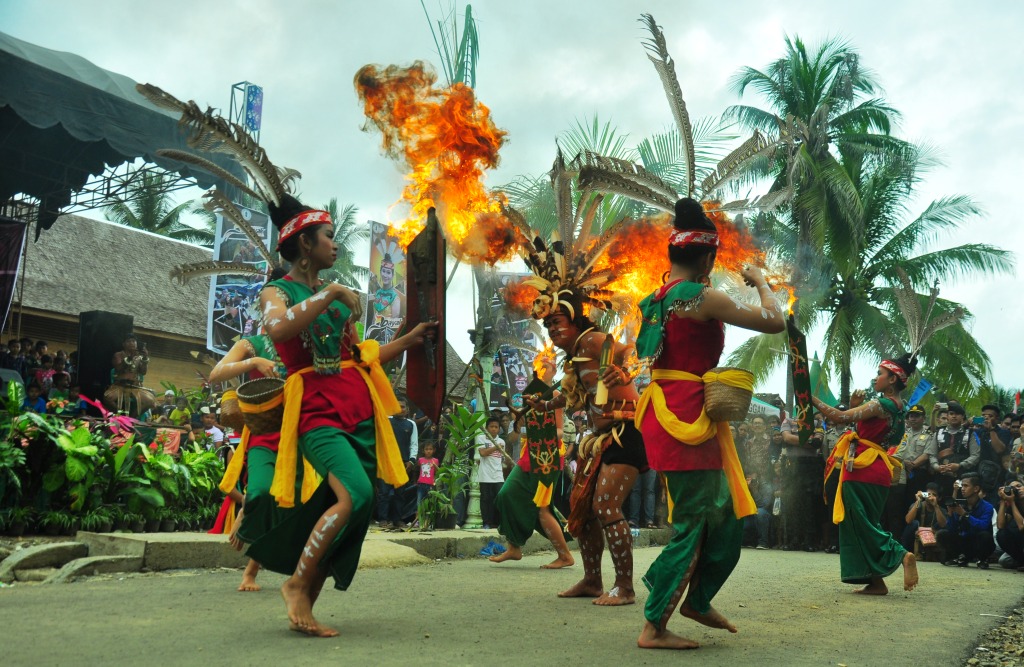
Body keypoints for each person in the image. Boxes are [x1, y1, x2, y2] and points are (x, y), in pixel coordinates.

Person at [244, 194, 435, 637]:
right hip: (315, 410)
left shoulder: (333, 299)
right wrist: (330, 292)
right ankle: (294, 583)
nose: (337, 245)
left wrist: (408, 340)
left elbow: (360, 358)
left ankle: (307, 601)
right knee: (354, 493)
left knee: (353, 503)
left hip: (359, 411)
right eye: (329, 237)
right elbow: (277, 329)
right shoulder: (279, 291)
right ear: (305, 244)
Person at [633, 198, 783, 650]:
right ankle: (655, 623)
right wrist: (761, 282)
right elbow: (774, 322)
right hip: (687, 416)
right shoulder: (703, 296)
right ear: (707, 258)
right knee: (700, 517)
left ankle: (694, 598)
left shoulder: (652, 300)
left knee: (720, 512)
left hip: (666, 411)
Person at [812, 354, 920, 595]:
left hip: (863, 467)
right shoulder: (898, 408)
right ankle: (875, 582)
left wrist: (810, 398)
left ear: (892, 379)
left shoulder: (883, 404)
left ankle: (901, 554)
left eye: (880, 373)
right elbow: (867, 431)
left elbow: (839, 418)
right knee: (866, 523)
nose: (876, 377)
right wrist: (853, 406)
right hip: (878, 468)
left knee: (860, 523)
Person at [207, 328, 287, 592]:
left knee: (286, 503)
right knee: (262, 493)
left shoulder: (307, 340)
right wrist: (253, 362)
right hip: (263, 431)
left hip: (300, 428)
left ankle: (252, 571)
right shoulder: (253, 344)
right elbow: (216, 373)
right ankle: (248, 507)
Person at [490, 358, 575, 569]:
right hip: (530, 454)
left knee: (542, 509)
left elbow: (559, 431)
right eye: (540, 366)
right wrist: (519, 425)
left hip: (549, 456)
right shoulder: (529, 395)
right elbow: (518, 431)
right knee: (506, 494)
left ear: (553, 370)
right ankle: (514, 547)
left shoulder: (555, 395)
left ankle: (565, 556)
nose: (541, 369)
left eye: (546, 366)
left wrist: (538, 431)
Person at [936, 473, 995, 568]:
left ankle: (982, 559)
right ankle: (958, 557)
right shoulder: (960, 505)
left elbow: (983, 526)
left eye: (966, 486)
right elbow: (952, 529)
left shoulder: (987, 507)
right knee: (942, 534)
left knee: (985, 536)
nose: (962, 488)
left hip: (978, 542)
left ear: (976, 489)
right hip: (964, 541)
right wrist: (950, 515)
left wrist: (965, 514)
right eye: (962, 485)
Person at [928, 403, 977, 501]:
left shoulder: (971, 433)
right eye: (951, 413)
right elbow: (932, 454)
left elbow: (975, 455)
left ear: (962, 417)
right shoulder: (938, 432)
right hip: (940, 477)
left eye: (957, 414)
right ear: (947, 416)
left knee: (958, 504)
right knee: (938, 504)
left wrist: (960, 465)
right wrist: (936, 467)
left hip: (961, 477)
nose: (954, 416)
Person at [103, 335, 155, 418]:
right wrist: (129, 358)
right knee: (107, 398)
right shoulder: (118, 355)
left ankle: (131, 419)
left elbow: (143, 372)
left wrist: (145, 358)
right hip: (119, 386)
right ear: (123, 344)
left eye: (134, 341)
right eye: (129, 341)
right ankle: (121, 417)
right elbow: (119, 369)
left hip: (135, 388)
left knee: (150, 401)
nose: (132, 343)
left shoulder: (139, 358)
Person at [475, 417, 506, 529]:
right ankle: (486, 522)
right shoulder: (481, 438)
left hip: (497, 475)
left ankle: (497, 522)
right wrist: (495, 447)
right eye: (491, 427)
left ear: (499, 429)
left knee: (498, 498)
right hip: (484, 474)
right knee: (485, 499)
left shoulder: (502, 441)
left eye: (496, 427)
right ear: (487, 428)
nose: (493, 429)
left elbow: (502, 459)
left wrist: (497, 447)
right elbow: (483, 453)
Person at [901, 481, 947, 557]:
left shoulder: (941, 510)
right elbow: (908, 520)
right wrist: (918, 501)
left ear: (939, 498)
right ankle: (904, 552)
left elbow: (943, 524)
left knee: (943, 529)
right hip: (916, 537)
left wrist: (936, 506)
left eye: (934, 495)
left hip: (932, 537)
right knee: (914, 523)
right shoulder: (919, 505)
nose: (930, 497)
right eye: (928, 494)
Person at [995, 479, 1024, 570]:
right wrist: (1003, 500)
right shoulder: (1014, 505)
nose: (1017, 489)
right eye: (1012, 488)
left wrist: (1012, 502)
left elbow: (1022, 526)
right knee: (1003, 560)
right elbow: (1000, 526)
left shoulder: (1013, 504)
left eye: (1019, 486)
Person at [416, 442, 439, 523]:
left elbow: (438, 472)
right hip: (421, 484)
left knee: (429, 503)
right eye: (426, 449)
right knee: (419, 502)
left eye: (430, 449)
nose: (428, 451)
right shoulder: (420, 460)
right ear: (423, 450)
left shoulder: (435, 460)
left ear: (434, 450)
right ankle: (418, 520)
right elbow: (416, 470)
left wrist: (435, 465)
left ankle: (427, 521)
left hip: (430, 485)